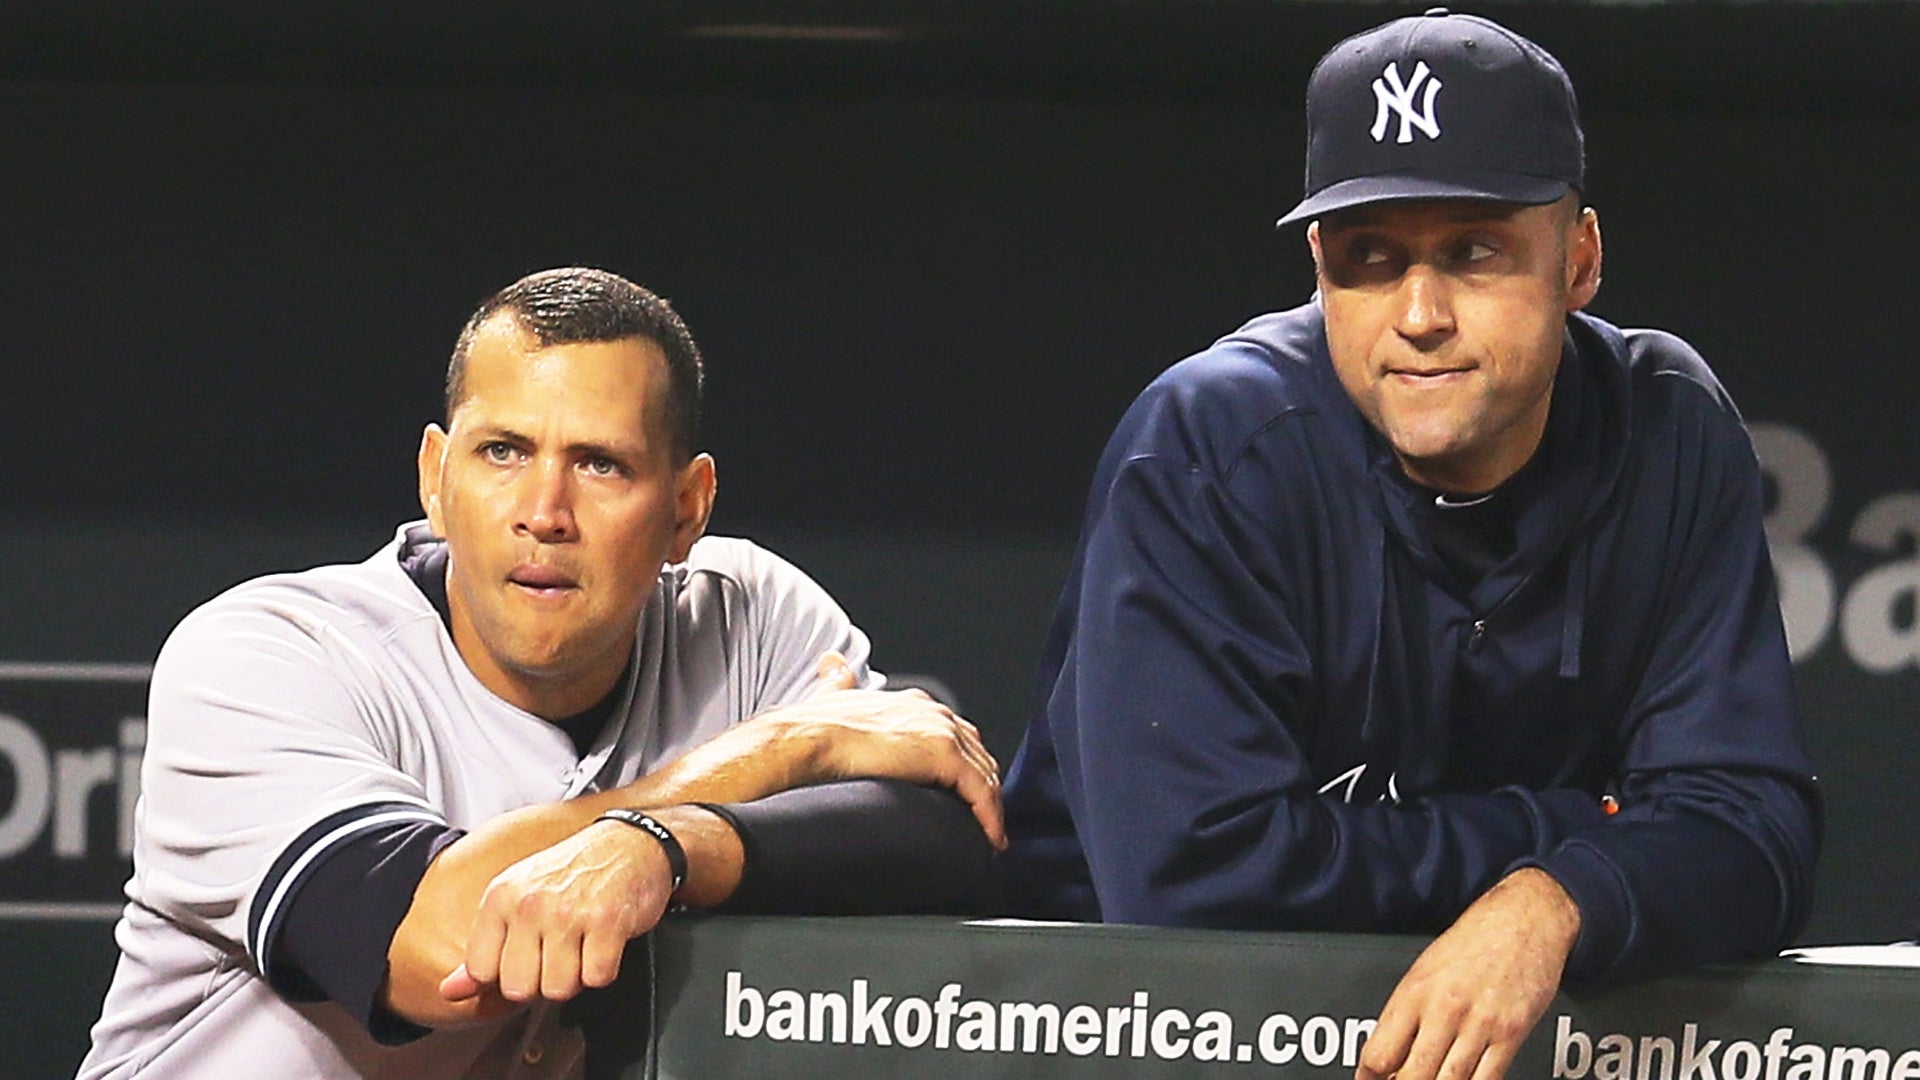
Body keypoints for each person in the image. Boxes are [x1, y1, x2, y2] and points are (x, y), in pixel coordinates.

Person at [1000, 10, 1819, 1080]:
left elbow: (1755, 829)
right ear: (1316, 270)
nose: (1419, 313)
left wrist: (1556, 901)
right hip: (1142, 1040)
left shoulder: (1666, 429)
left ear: (1578, 260)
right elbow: (1195, 883)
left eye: (1473, 252)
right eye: (1370, 260)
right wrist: (1578, 841)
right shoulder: (1215, 445)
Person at [79, 267, 1004, 1079]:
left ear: (688, 508)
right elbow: (446, 952)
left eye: (600, 464)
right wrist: (781, 751)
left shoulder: (745, 612)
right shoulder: (268, 654)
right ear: (435, 477)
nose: (544, 511)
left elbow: (946, 836)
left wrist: (663, 848)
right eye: (503, 453)